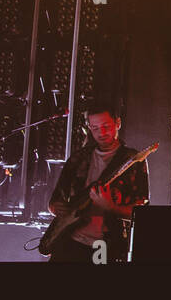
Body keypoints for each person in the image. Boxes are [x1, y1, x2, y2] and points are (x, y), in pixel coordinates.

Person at [45, 101, 149, 263]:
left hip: (105, 246)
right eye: (95, 128)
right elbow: (55, 200)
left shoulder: (132, 160)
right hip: (70, 241)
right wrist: (54, 207)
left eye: (106, 126)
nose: (101, 132)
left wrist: (111, 207)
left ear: (118, 123)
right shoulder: (78, 158)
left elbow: (142, 211)